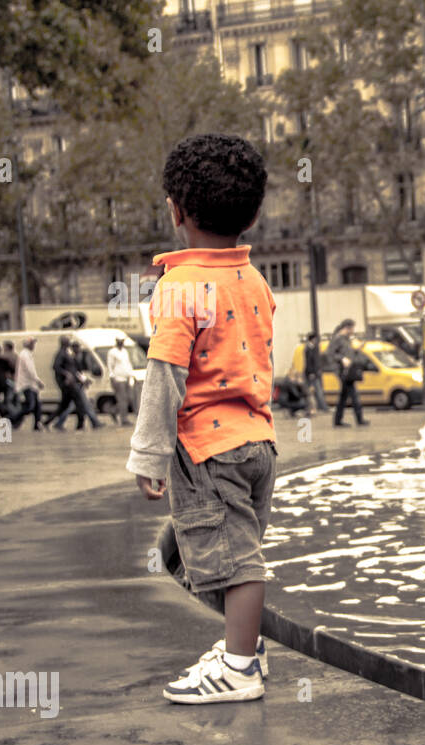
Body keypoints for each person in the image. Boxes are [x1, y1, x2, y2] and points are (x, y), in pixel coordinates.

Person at [127, 132, 275, 704]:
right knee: (226, 552)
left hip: (209, 450)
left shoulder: (179, 287)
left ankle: (239, 667)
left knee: (236, 563)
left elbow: (164, 374)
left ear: (176, 210)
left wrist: (149, 453)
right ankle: (242, 647)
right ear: (255, 214)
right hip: (257, 444)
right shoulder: (254, 279)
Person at [328, 318, 369, 427]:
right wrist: (341, 359)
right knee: (354, 395)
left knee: (343, 397)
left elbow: (349, 354)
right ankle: (360, 419)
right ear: (347, 328)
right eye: (353, 328)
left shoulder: (346, 340)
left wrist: (357, 349)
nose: (353, 331)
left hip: (348, 371)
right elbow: (330, 353)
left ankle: (337, 420)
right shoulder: (337, 339)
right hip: (342, 371)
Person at [14, 336, 46, 430]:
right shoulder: (25, 355)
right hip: (27, 384)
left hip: (31, 384)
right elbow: (30, 370)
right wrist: (38, 380)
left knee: (37, 405)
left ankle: (37, 424)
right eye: (32, 343)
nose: (34, 345)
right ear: (28, 345)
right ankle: (11, 418)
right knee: (30, 406)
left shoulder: (27, 354)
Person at [106, 335, 135, 425]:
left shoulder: (125, 351)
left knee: (128, 398)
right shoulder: (112, 352)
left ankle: (114, 410)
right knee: (122, 399)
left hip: (126, 377)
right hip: (118, 378)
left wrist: (131, 375)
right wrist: (112, 377)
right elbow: (110, 366)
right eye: (120, 341)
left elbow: (128, 364)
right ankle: (124, 419)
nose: (121, 342)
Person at [302, 331, 328, 411]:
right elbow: (309, 362)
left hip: (312, 373)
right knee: (317, 390)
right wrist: (311, 373)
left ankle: (313, 407)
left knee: (310, 391)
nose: (317, 340)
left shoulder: (312, 348)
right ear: (313, 339)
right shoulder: (309, 349)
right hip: (311, 373)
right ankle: (323, 407)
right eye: (316, 339)